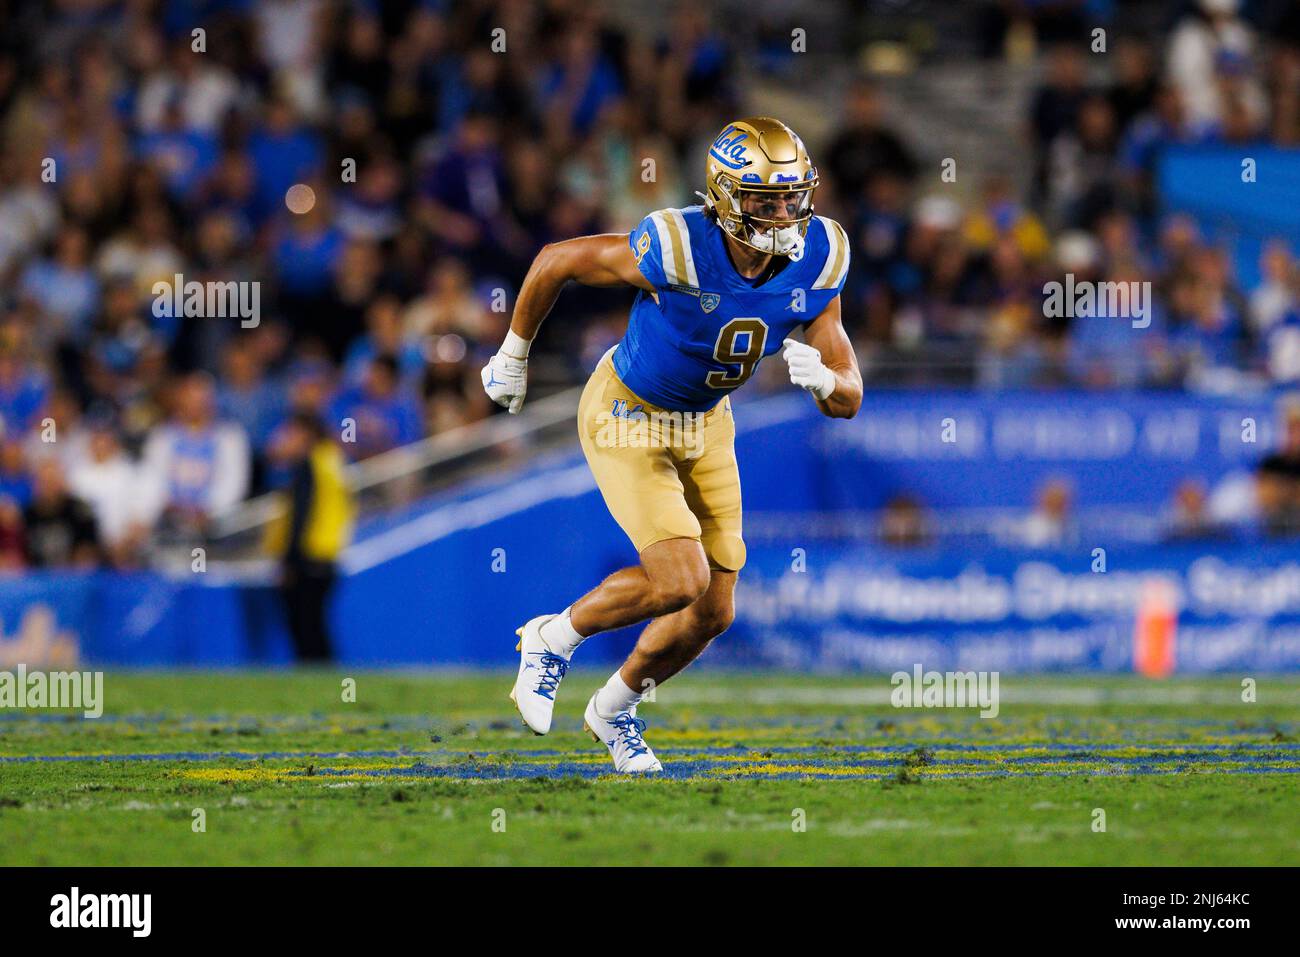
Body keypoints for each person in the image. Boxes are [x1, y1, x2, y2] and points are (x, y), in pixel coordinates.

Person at [480, 117, 861, 773]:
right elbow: (557, 260)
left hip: (706, 420)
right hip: (628, 411)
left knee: (713, 609)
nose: (784, 212)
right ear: (725, 197)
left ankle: (614, 708)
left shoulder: (821, 255)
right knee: (679, 577)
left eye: (792, 195)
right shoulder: (680, 245)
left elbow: (847, 396)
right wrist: (513, 353)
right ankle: (552, 636)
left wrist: (827, 379)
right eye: (765, 199)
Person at [263, 412, 355, 662]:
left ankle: (318, 679)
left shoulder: (309, 464)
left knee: (305, 626)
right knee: (316, 623)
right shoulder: (332, 459)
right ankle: (328, 682)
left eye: (290, 433)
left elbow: (302, 514)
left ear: (305, 435)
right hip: (328, 553)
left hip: (308, 555)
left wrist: (290, 559)